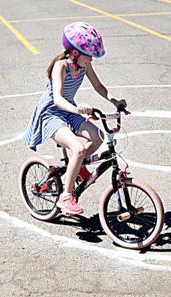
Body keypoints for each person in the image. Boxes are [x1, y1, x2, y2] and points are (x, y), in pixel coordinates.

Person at [23, 21, 123, 216]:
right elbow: (58, 99)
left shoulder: (84, 66)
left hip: (70, 111)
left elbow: (99, 87)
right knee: (77, 148)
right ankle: (66, 197)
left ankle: (75, 167)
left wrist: (115, 101)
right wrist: (78, 110)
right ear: (75, 53)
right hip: (51, 113)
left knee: (98, 137)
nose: (91, 60)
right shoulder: (60, 66)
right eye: (89, 55)